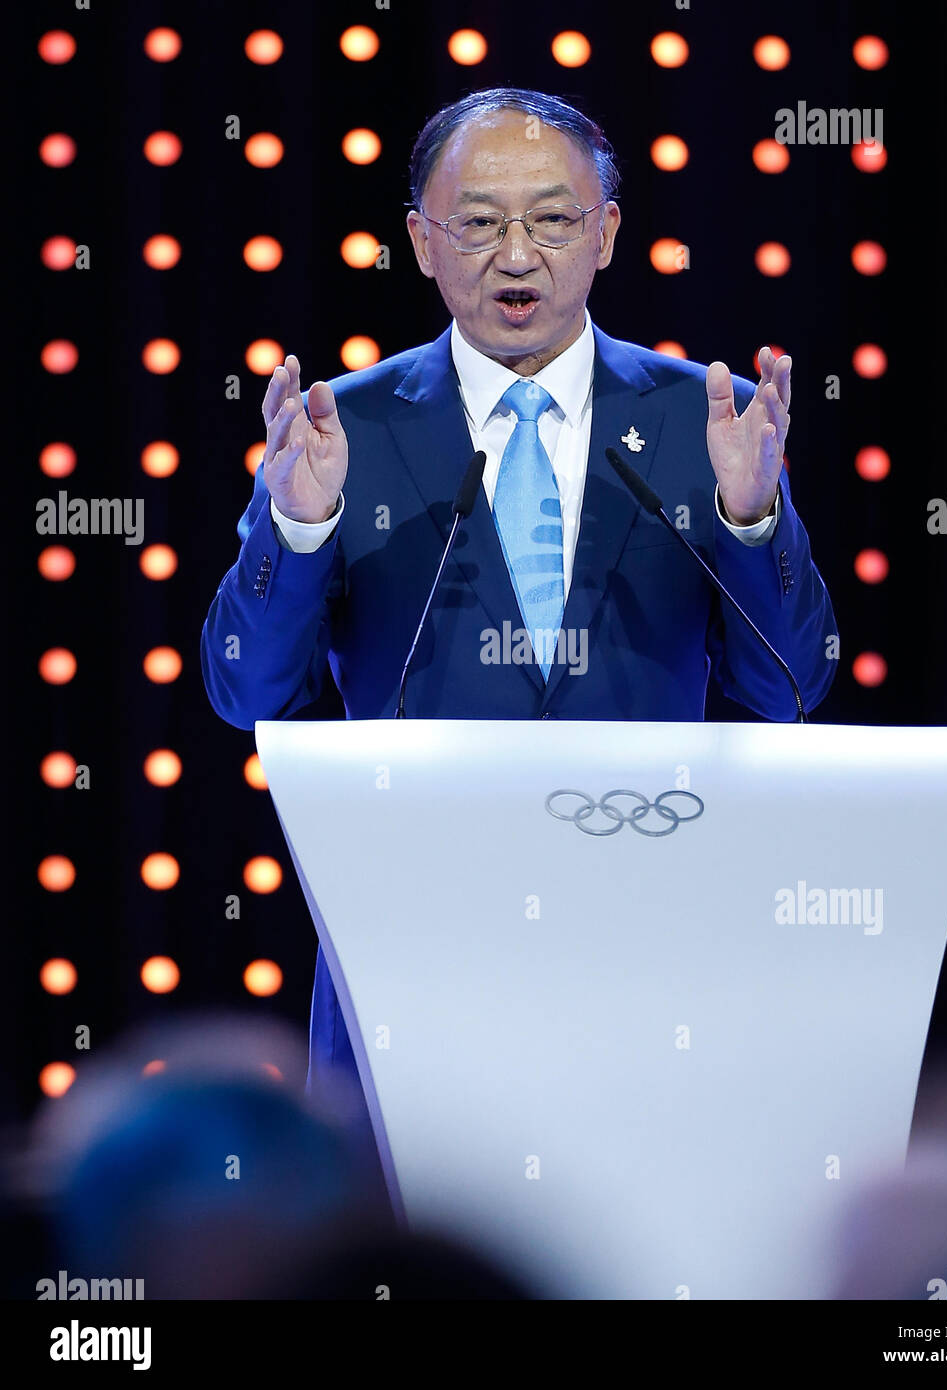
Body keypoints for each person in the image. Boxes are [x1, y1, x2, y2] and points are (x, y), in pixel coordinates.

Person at [201, 88, 838, 1191]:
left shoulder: (706, 420)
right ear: (420, 242)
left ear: (606, 234)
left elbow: (788, 690)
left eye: (550, 220)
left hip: (651, 961)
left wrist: (750, 519)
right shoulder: (342, 428)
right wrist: (300, 524)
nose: (517, 254)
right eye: (479, 221)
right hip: (414, 962)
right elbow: (246, 688)